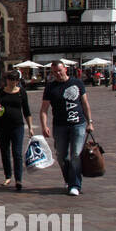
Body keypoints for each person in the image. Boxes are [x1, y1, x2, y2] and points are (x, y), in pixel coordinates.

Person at [39, 61, 93, 196]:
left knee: (75, 154)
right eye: (54, 72)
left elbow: (85, 104)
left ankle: (75, 185)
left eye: (59, 70)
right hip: (60, 125)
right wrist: (44, 125)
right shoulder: (50, 87)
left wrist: (90, 122)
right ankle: (69, 179)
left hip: (78, 124)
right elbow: (44, 109)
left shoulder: (77, 83)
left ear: (66, 69)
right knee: (62, 156)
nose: (57, 74)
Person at [0, 69, 33, 191]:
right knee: (5, 152)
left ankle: (18, 179)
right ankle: (8, 176)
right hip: (1, 126)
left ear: (18, 81)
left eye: (14, 80)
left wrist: (30, 127)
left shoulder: (21, 93)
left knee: (17, 153)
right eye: (10, 79)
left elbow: (26, 111)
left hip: (17, 126)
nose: (12, 82)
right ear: (6, 80)